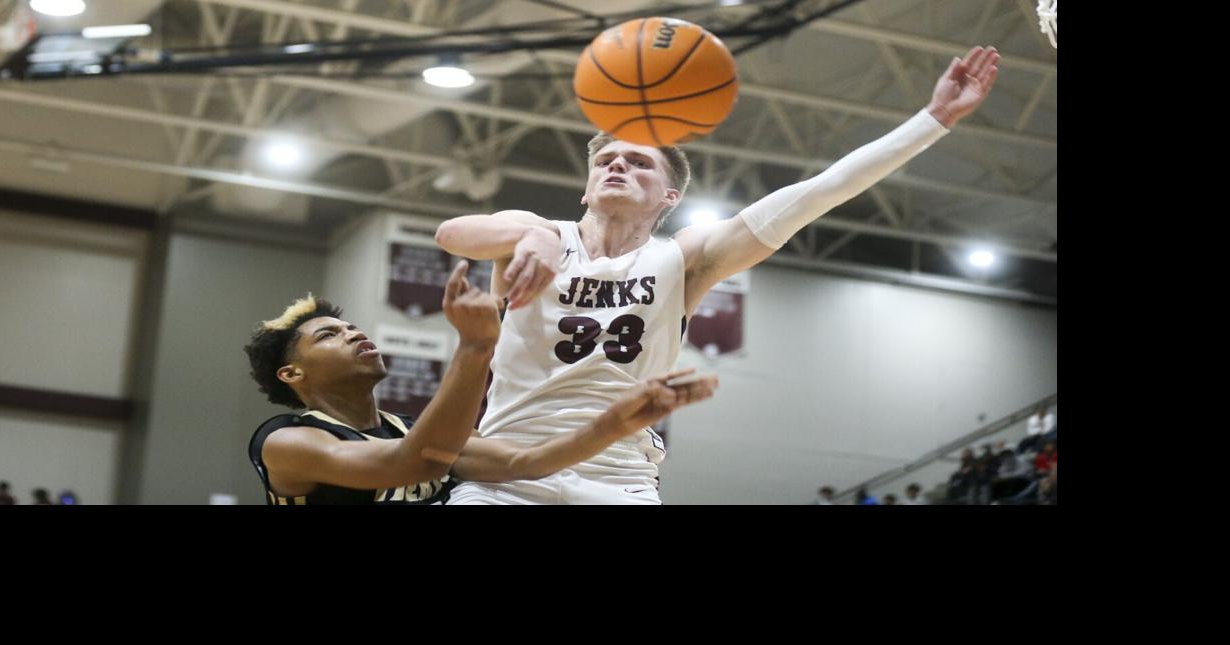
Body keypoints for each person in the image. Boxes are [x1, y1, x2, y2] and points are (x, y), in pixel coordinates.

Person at [435, 47, 1001, 504]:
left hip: (616, 479)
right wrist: (532, 234)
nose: (617, 166)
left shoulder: (683, 257)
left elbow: (817, 193)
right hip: (504, 472)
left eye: (638, 163)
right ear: (586, 186)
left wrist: (934, 120)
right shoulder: (533, 231)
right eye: (606, 160)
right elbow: (453, 234)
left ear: (669, 197)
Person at [245, 262, 715, 505]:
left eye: (350, 327)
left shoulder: (413, 431)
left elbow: (527, 462)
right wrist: (475, 348)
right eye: (329, 335)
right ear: (292, 374)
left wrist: (614, 423)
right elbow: (408, 465)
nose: (352, 333)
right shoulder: (288, 440)